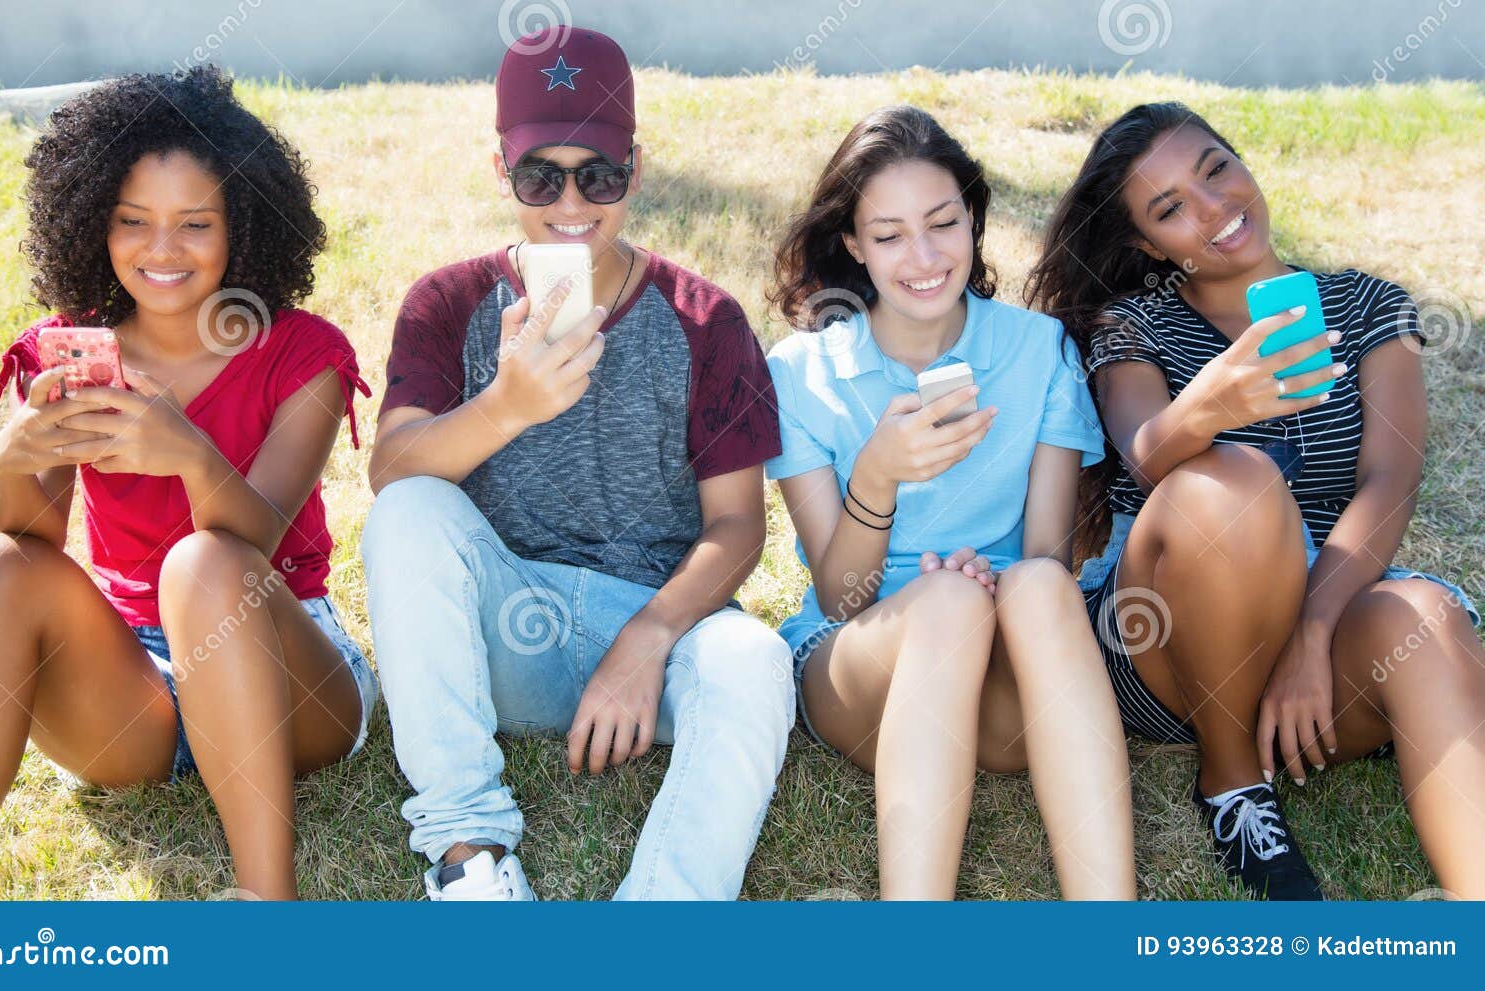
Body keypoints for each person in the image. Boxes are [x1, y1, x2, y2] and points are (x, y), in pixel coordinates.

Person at [0, 66, 378, 901]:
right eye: (134, 222)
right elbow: (29, 550)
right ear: (94, 222)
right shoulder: (68, 349)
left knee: (202, 563)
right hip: (133, 689)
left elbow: (254, 544)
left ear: (243, 227)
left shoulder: (303, 356)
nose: (163, 250)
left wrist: (191, 454)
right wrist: (15, 458)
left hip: (287, 669)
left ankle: (271, 913)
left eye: (195, 223)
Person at [361, 26, 794, 901]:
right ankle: (469, 854)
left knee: (755, 659)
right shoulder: (448, 303)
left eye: (597, 173)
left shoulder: (704, 317)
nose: (571, 200)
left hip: (657, 634)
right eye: (539, 176)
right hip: (500, 633)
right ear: (500, 171)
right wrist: (504, 407)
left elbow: (739, 525)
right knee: (408, 511)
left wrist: (646, 639)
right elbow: (392, 471)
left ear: (634, 171)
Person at [1026, 101, 1485, 900]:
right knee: (1233, 480)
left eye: (1216, 170)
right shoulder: (1134, 325)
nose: (1214, 208)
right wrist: (1210, 407)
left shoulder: (1369, 308)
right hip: (1169, 641)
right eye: (1169, 209)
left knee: (1424, 616)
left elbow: (1391, 479)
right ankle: (1233, 783)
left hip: (1321, 645)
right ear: (1144, 244)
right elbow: (1143, 455)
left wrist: (1313, 630)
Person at [764, 105, 1136, 900]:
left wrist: (993, 586)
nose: (924, 256)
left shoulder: (1039, 351)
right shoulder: (801, 372)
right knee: (943, 604)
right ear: (854, 245)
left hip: (1005, 682)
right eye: (890, 234)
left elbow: (1045, 559)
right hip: (857, 670)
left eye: (943, 223)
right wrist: (876, 476)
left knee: (1035, 585)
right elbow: (840, 596)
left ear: (973, 219)